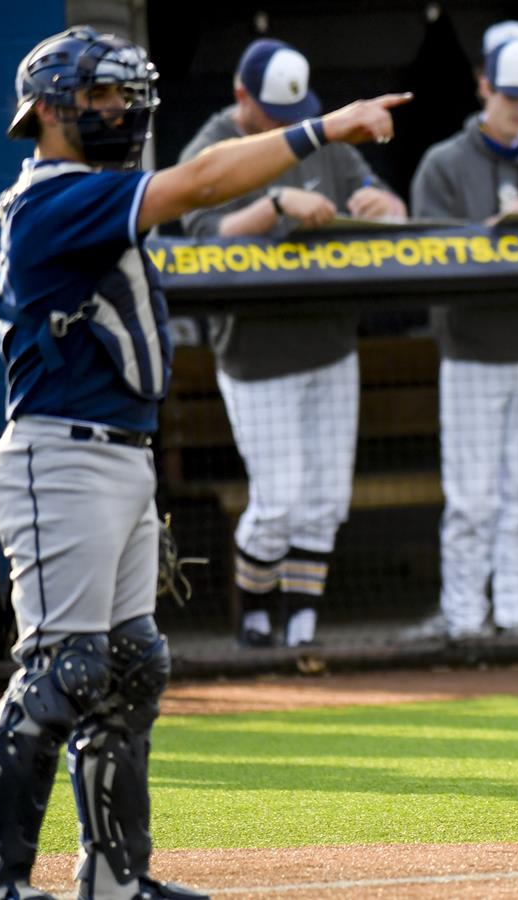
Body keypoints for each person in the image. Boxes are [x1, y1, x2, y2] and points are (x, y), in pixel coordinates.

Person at [0, 24, 403, 899]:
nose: (119, 110)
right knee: (61, 669)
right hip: (60, 456)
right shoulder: (54, 195)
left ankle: (116, 878)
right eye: (99, 96)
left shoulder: (89, 188)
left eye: (126, 94)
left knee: (129, 667)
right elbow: (200, 181)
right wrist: (324, 129)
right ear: (46, 111)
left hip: (117, 456)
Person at [179, 38, 405, 649]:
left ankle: (303, 621)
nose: (286, 124)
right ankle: (254, 613)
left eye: (294, 111)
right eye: (273, 113)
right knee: (277, 497)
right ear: (240, 95)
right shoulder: (212, 146)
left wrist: (381, 205)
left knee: (327, 496)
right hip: (257, 353)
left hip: (329, 339)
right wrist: (276, 203)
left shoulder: (322, 136)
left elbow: (391, 212)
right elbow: (205, 242)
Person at [410, 38, 518, 639]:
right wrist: (492, 235)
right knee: (472, 500)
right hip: (473, 350)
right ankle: (465, 620)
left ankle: (515, 617)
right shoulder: (445, 162)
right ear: (484, 87)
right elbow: (423, 255)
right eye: (510, 96)